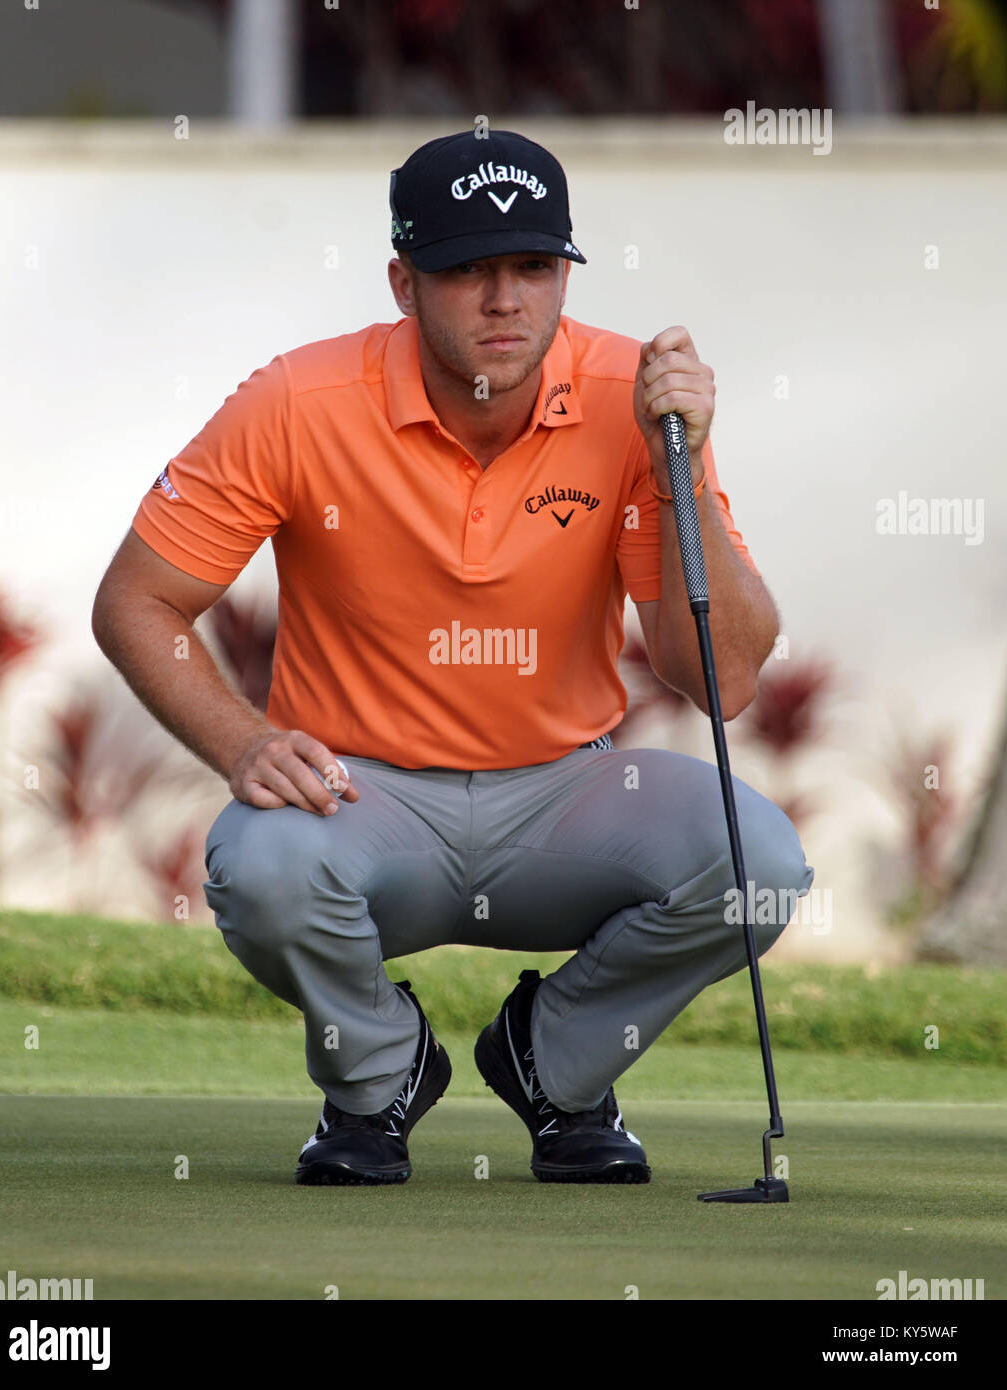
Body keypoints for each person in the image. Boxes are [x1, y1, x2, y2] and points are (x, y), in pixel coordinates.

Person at [92, 128, 815, 1188]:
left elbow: (719, 680)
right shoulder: (297, 402)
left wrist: (684, 468)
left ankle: (555, 1067)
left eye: (532, 267)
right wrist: (239, 739)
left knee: (760, 866)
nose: (504, 300)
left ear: (563, 274)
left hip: (568, 788)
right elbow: (136, 599)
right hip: (357, 794)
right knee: (260, 864)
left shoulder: (632, 397)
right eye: (465, 269)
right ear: (403, 280)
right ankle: (379, 1077)